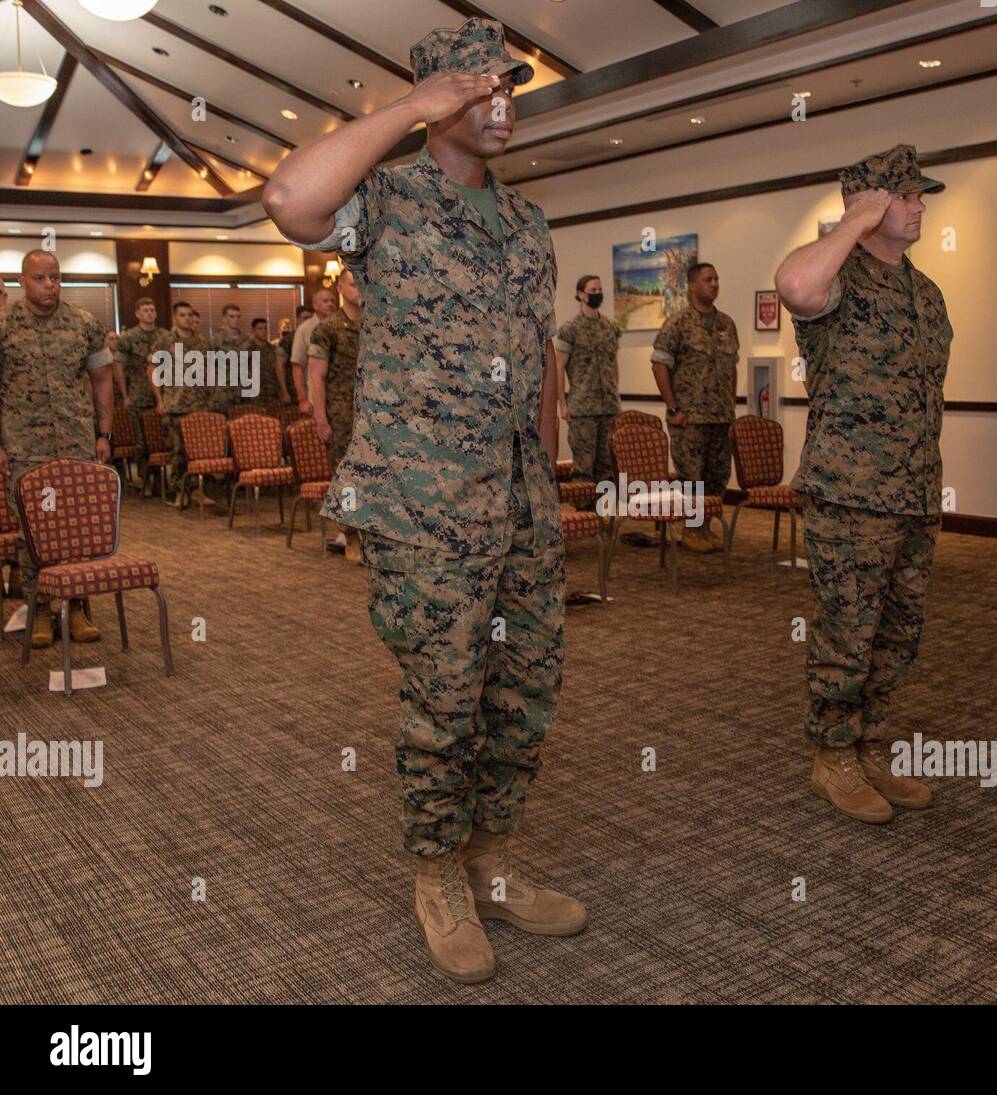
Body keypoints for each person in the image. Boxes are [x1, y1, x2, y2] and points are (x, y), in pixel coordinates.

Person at [264, 16, 584, 984]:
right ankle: (436, 873)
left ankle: (492, 864)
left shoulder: (528, 223)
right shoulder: (388, 202)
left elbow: (541, 363)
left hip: (520, 499)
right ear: (438, 99)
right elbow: (288, 200)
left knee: (522, 694)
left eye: (509, 90)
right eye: (478, 89)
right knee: (444, 701)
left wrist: (552, 476)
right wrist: (408, 108)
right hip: (422, 500)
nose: (499, 105)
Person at [774, 143, 952, 825]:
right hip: (850, 492)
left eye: (917, 195)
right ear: (871, 203)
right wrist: (850, 222)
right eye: (906, 195)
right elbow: (793, 286)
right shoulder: (837, 277)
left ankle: (872, 744)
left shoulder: (926, 292)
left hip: (912, 491)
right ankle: (833, 756)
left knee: (897, 632)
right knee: (848, 630)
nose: (919, 206)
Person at [0, 250, 114, 647]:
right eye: (41, 279)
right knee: (35, 532)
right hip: (25, 448)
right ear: (21, 282)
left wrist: (104, 434)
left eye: (56, 278)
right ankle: (41, 610)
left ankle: (77, 607)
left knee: (77, 527)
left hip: (76, 444)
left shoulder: (84, 324)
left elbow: (101, 379)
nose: (51, 285)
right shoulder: (4, 325)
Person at [650, 262, 739, 552]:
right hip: (689, 417)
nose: (714, 284)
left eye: (716, 279)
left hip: (720, 416)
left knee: (717, 476)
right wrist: (673, 407)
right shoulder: (678, 323)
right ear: (691, 285)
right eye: (707, 279)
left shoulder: (726, 324)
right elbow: (659, 365)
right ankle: (691, 529)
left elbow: (731, 368)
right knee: (692, 477)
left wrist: (731, 405)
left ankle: (705, 527)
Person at [307, 268, 362, 562]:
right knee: (347, 479)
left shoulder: (376, 326)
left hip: (373, 418)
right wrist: (321, 420)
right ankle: (349, 535)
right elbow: (316, 377)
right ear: (341, 287)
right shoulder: (327, 329)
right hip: (341, 418)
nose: (359, 289)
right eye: (354, 284)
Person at [556, 275, 620, 488]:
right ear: (581, 294)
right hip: (582, 408)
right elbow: (559, 367)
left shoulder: (610, 327)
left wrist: (616, 395)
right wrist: (562, 404)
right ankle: (584, 515)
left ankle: (603, 517)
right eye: (593, 289)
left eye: (600, 289)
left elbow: (614, 364)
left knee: (606, 467)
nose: (597, 293)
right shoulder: (570, 329)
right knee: (584, 469)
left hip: (608, 407)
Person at [154, 300, 214, 507]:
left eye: (190, 315)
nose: (187, 319)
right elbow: (152, 370)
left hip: (198, 405)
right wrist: (159, 400)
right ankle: (179, 492)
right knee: (178, 452)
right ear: (175, 318)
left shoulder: (202, 343)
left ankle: (197, 490)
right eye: (182, 315)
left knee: (199, 450)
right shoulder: (164, 341)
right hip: (175, 405)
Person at [114, 298, 165, 492]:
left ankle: (161, 480)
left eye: (152, 310)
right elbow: (118, 367)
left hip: (163, 394)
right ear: (137, 314)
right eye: (145, 310)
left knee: (162, 438)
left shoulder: (164, 335)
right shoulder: (128, 337)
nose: (149, 313)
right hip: (138, 394)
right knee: (142, 441)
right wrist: (125, 395)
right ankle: (146, 480)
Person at [290, 289, 336, 415]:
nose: (330, 304)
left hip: (340, 397)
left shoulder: (340, 327)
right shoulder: (304, 329)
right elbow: (297, 367)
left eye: (333, 301)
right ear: (316, 305)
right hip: (315, 397)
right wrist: (303, 399)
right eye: (326, 301)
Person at [249, 317, 289, 410]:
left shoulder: (273, 349)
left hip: (273, 392)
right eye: (260, 329)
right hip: (255, 395)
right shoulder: (247, 348)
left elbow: (279, 370)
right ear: (253, 330)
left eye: (265, 329)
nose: (263, 331)